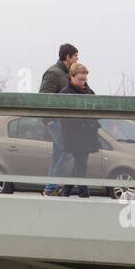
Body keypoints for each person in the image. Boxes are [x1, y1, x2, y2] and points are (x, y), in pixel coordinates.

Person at [41, 43, 79, 196]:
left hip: (65, 123)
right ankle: (50, 187)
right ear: (68, 57)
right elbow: (43, 97)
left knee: (58, 154)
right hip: (55, 121)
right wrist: (48, 120)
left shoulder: (68, 74)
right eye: (76, 55)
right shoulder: (53, 73)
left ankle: (51, 188)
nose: (77, 58)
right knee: (67, 151)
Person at [57, 62, 98, 198]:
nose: (83, 82)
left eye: (85, 79)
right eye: (80, 79)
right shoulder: (65, 93)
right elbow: (64, 117)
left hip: (86, 134)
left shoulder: (88, 91)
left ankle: (66, 191)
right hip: (74, 134)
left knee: (80, 163)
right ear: (72, 77)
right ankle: (83, 192)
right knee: (81, 163)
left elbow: (96, 105)